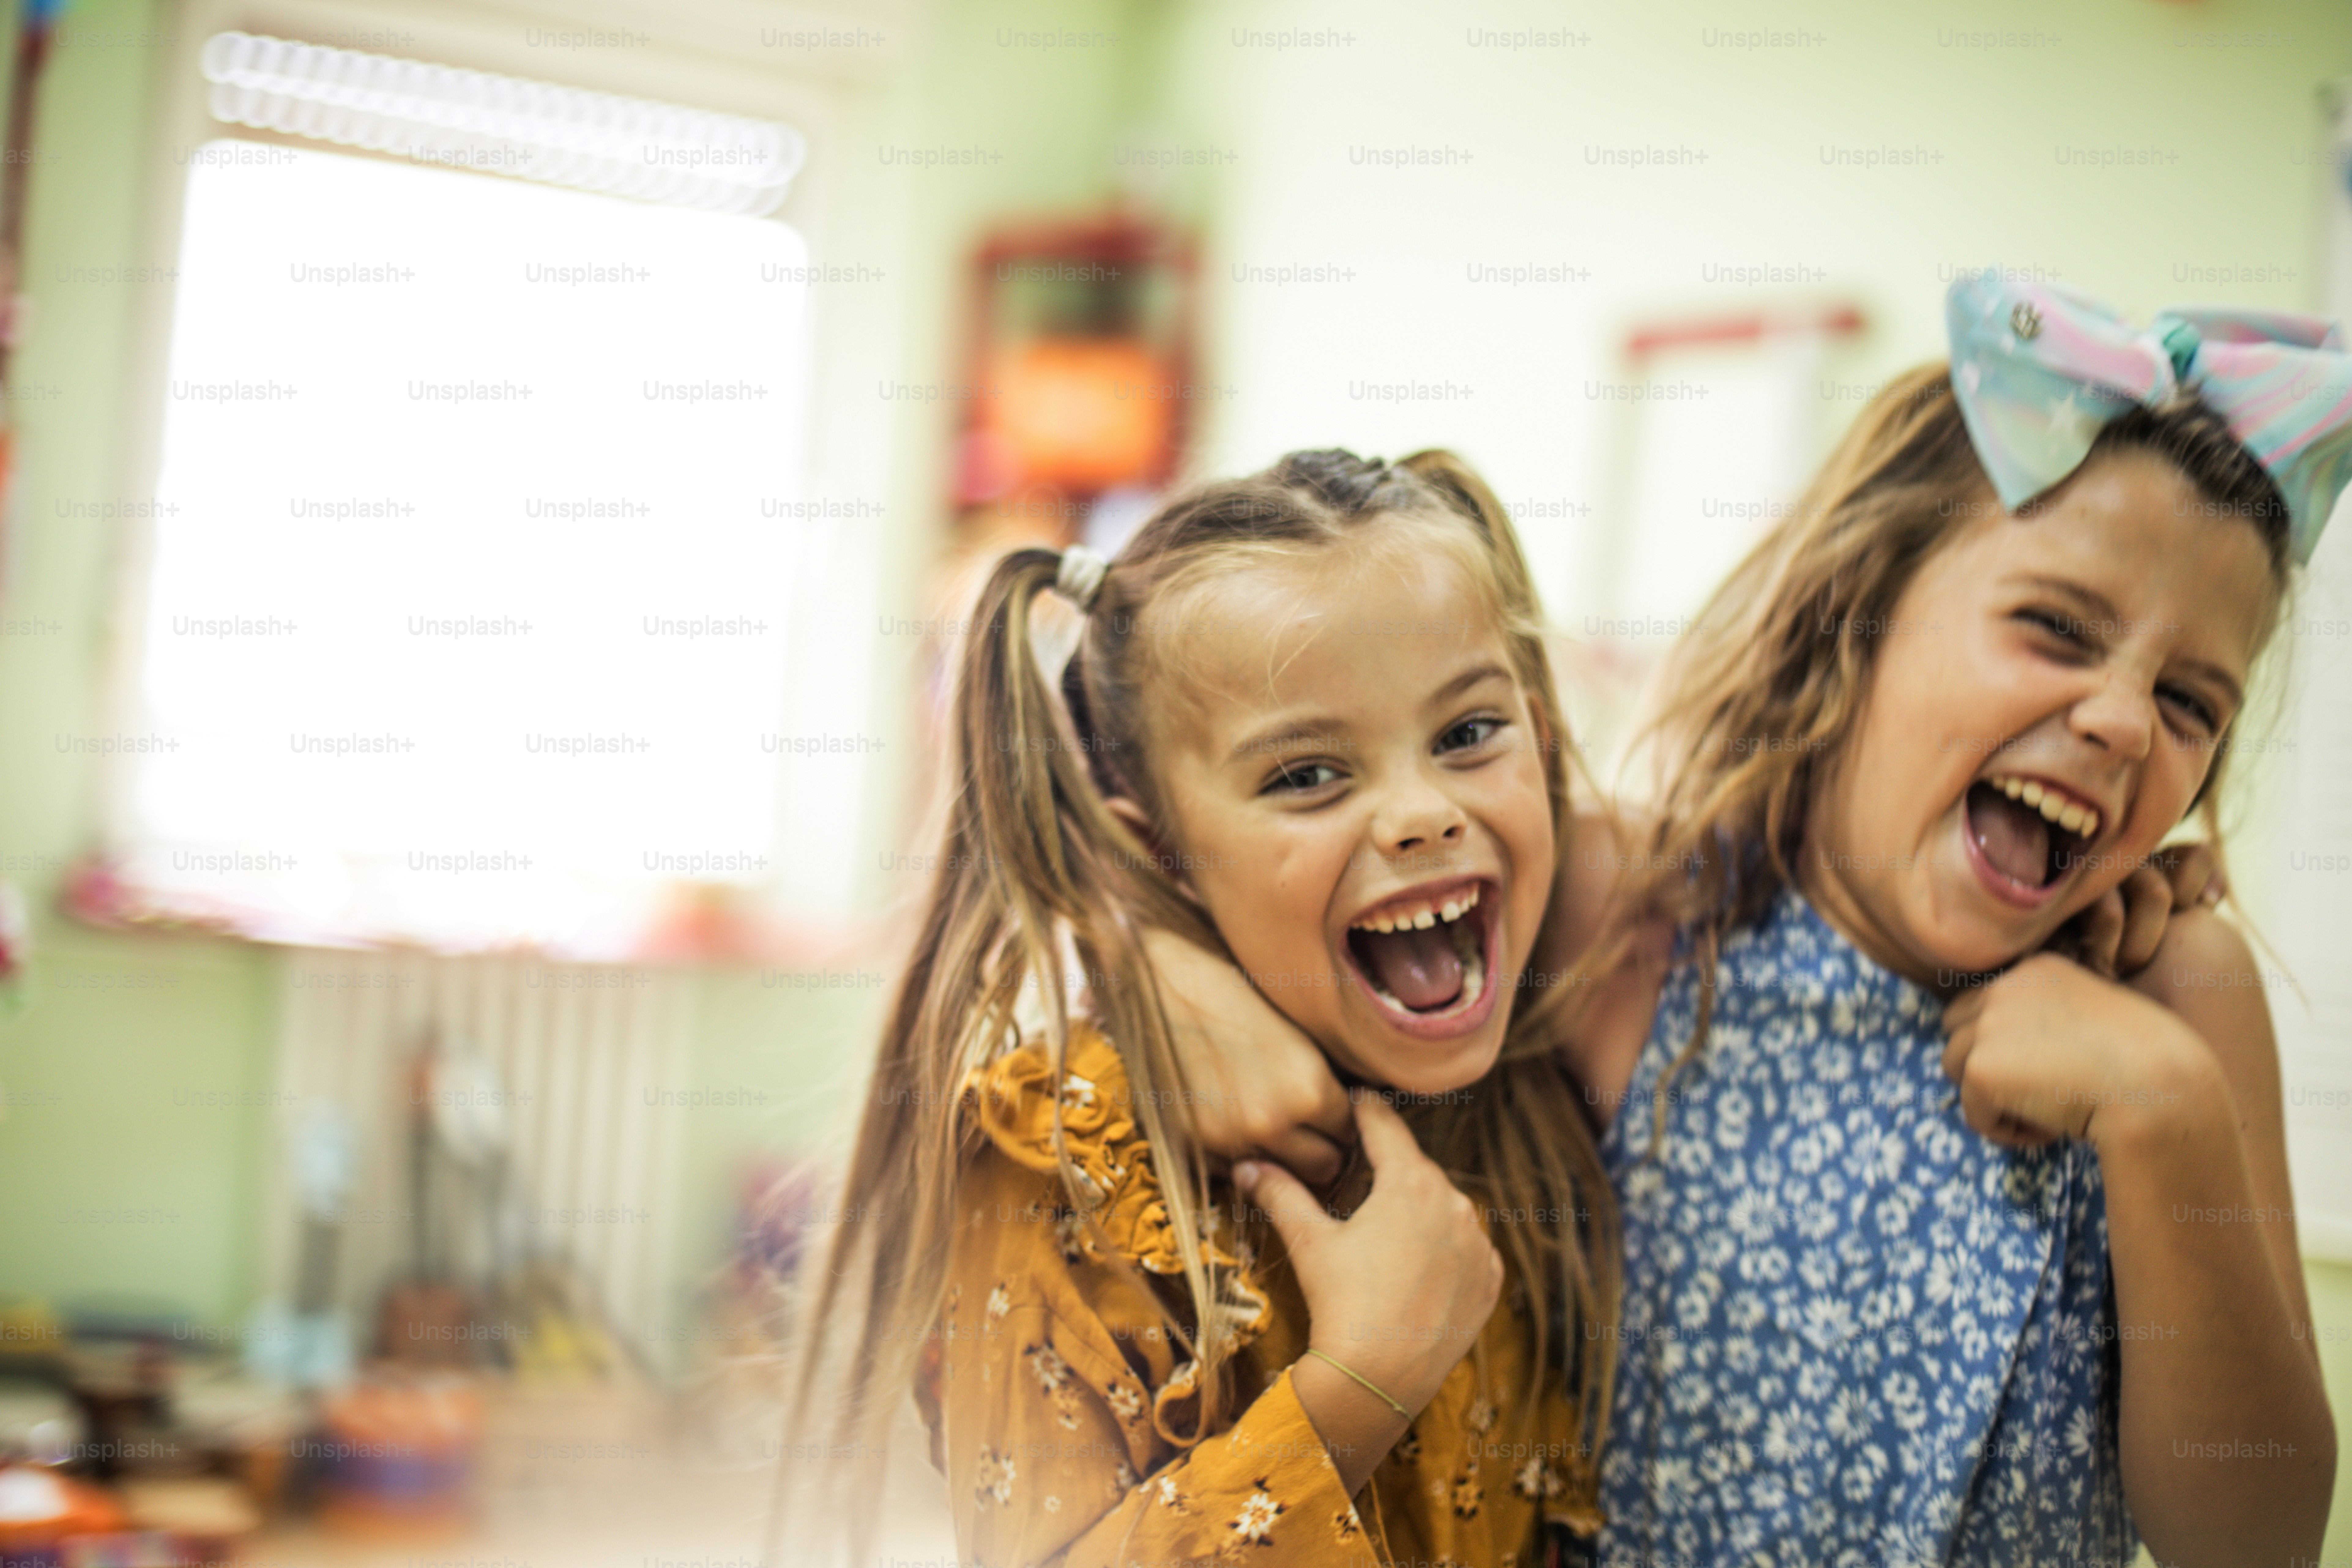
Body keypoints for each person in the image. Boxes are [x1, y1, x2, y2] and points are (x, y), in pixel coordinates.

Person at [1141, 274, 2347, 1565]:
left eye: (2188, 702)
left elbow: (2257, 1539)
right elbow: (1146, 769)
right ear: (1856, 614)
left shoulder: (2170, 997)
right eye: (2054, 629)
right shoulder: (1642, 915)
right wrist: (1164, 967)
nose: (2118, 718)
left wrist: (2160, 1111)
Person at [785, 449, 1623, 1566]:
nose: (1423, 813)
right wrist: (1365, 1381)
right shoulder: (1066, 1153)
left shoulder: (1565, 1014)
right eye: (1307, 776)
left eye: (1468, 734)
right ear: (1158, 857)